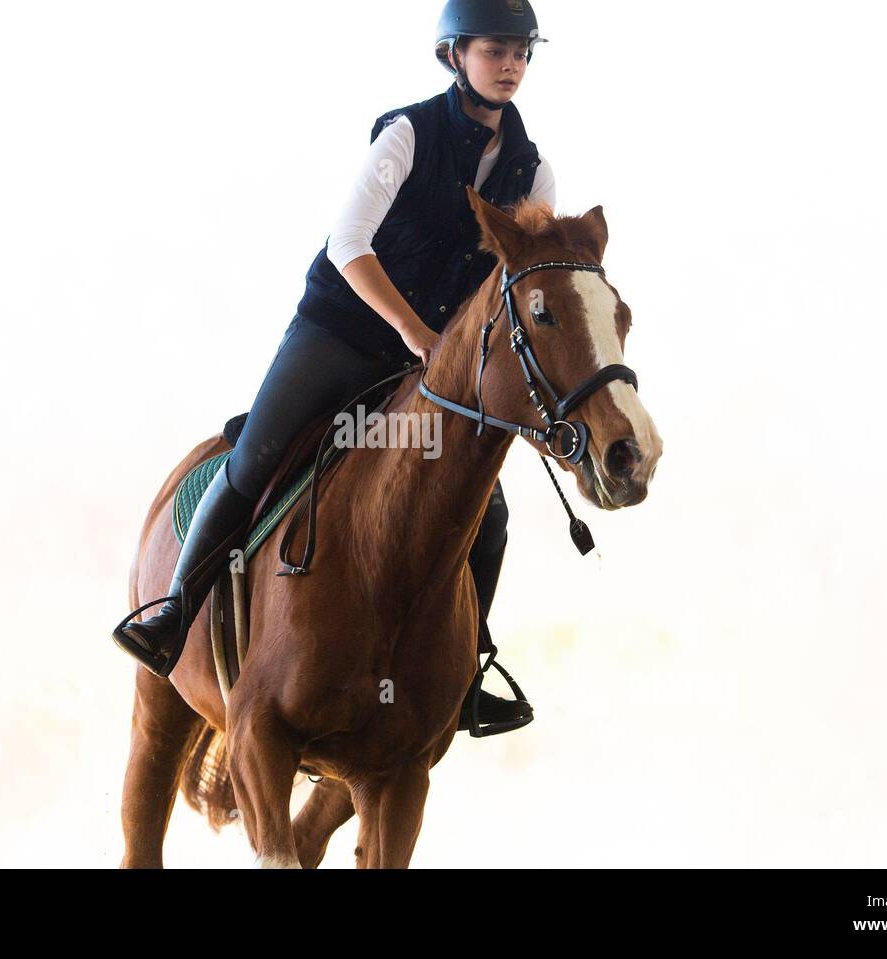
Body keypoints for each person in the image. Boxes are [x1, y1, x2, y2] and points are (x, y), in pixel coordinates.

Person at [113, 0, 555, 732]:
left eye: (522, 53)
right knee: (255, 456)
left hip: (428, 367)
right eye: (495, 50)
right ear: (455, 55)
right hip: (341, 330)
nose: (511, 65)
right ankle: (172, 613)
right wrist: (415, 330)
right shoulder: (408, 133)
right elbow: (351, 244)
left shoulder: (533, 172)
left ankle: (468, 672)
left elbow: (515, 284)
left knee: (489, 513)